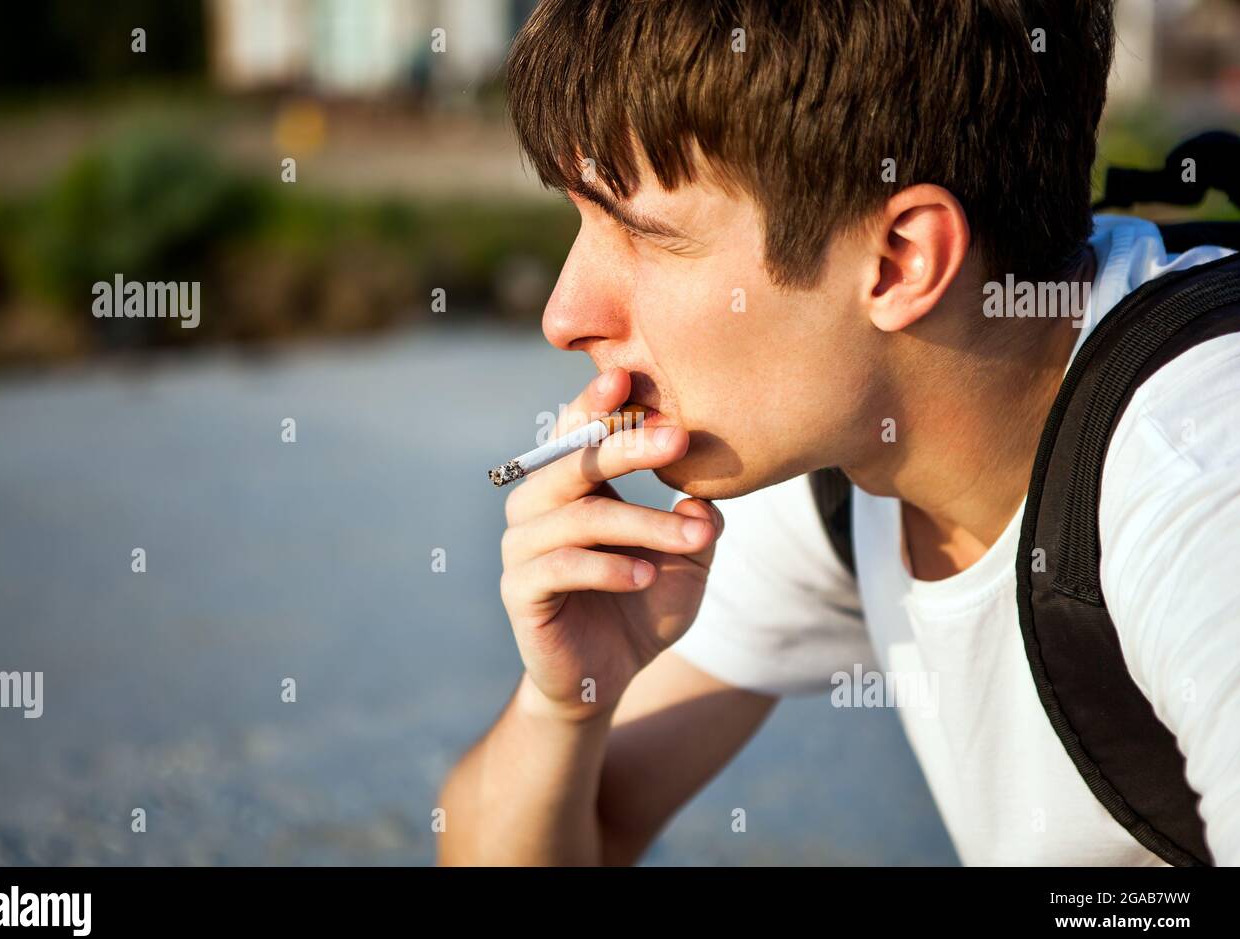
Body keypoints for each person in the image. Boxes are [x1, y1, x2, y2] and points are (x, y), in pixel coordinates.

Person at [436, 0, 1240, 865]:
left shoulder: (1201, 479)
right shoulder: (846, 450)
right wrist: (566, 706)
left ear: (902, 261)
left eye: (643, 236)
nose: (563, 315)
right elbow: (569, 838)